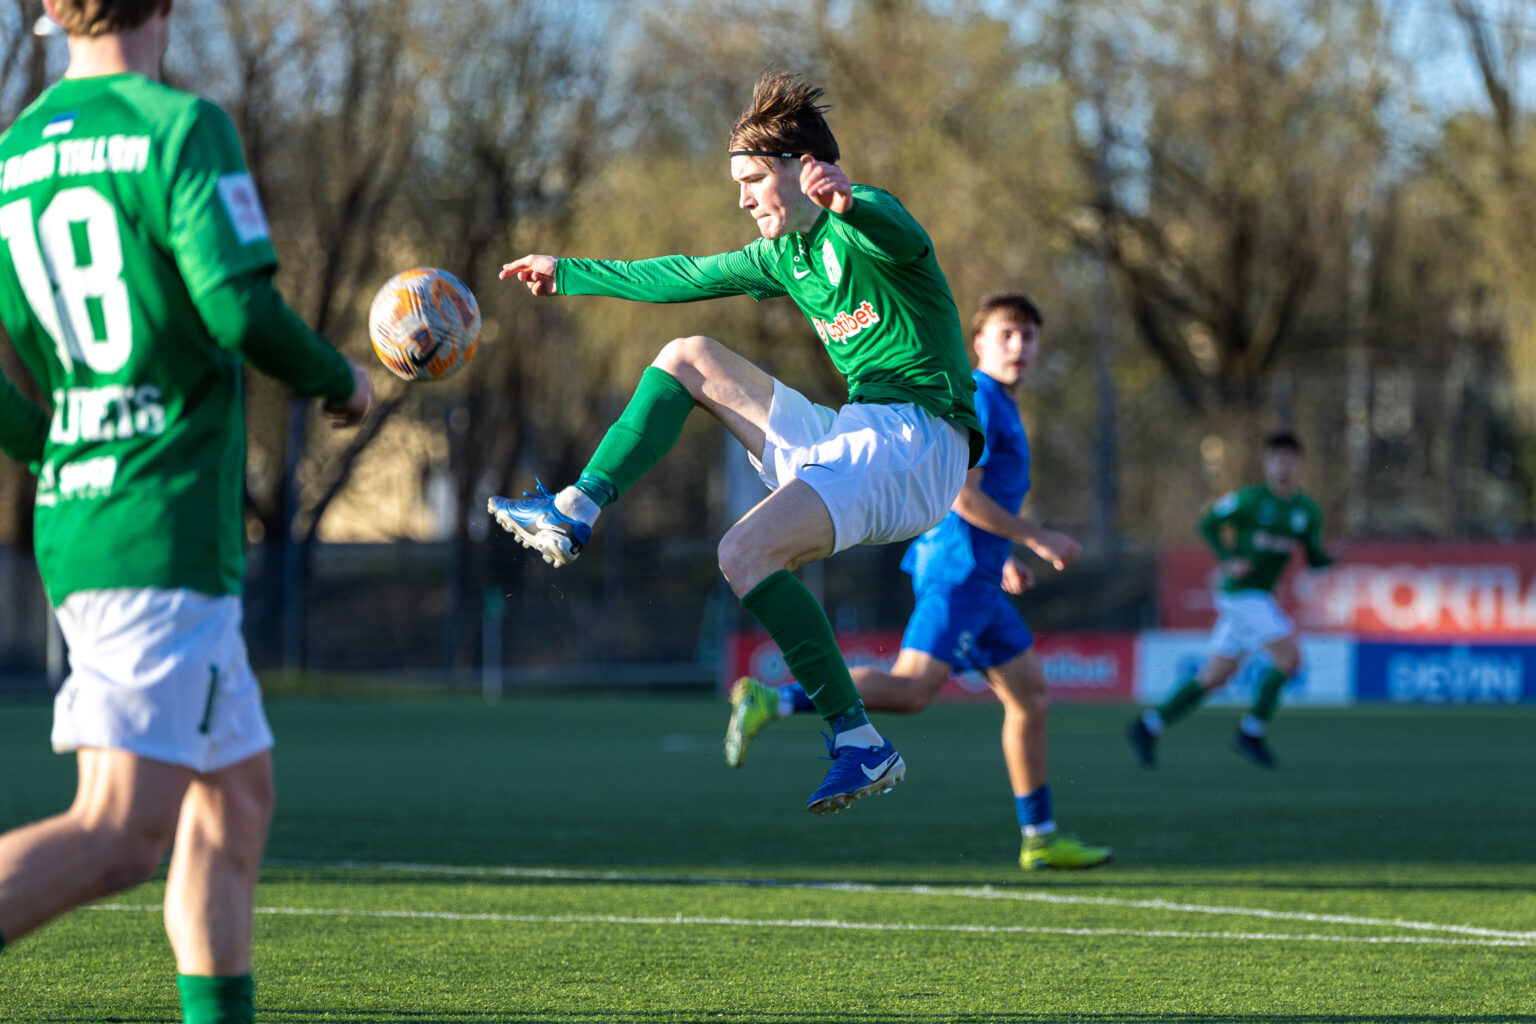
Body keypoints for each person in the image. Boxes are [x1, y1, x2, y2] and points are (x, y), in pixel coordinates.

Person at [0, 3, 371, 1022]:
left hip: (94, 511)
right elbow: (238, 309)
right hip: (154, 522)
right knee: (120, 830)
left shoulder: (12, 156)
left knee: (234, 800)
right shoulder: (177, 127)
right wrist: (340, 376)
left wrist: (58, 448)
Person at [492, 70, 983, 815]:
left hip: (921, 438)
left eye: (754, 178)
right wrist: (568, 273)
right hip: (862, 430)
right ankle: (574, 509)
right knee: (687, 355)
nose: (745, 196)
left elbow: (900, 234)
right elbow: (683, 274)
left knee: (742, 553)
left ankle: (859, 743)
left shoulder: (863, 218)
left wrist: (847, 199)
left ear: (799, 169)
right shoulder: (782, 256)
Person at [726, 293, 1112, 870]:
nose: (1020, 346)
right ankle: (774, 699)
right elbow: (963, 493)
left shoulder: (999, 403)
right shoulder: (979, 395)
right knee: (910, 691)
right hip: (956, 575)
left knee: (1030, 695)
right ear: (978, 343)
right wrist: (1036, 537)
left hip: (979, 576)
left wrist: (1002, 555)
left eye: (1029, 336)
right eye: (1006, 334)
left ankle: (1040, 834)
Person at [1126, 432, 1333, 769]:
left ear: (1300, 465)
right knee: (1290, 659)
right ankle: (1250, 732)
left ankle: (1147, 726)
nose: (1284, 466)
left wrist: (1330, 558)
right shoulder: (1251, 500)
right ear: (1267, 464)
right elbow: (1207, 522)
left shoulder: (1305, 510)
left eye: (1290, 460)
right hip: (1241, 594)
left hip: (1259, 597)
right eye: (1277, 459)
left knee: (1215, 677)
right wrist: (1227, 558)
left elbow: (1314, 558)